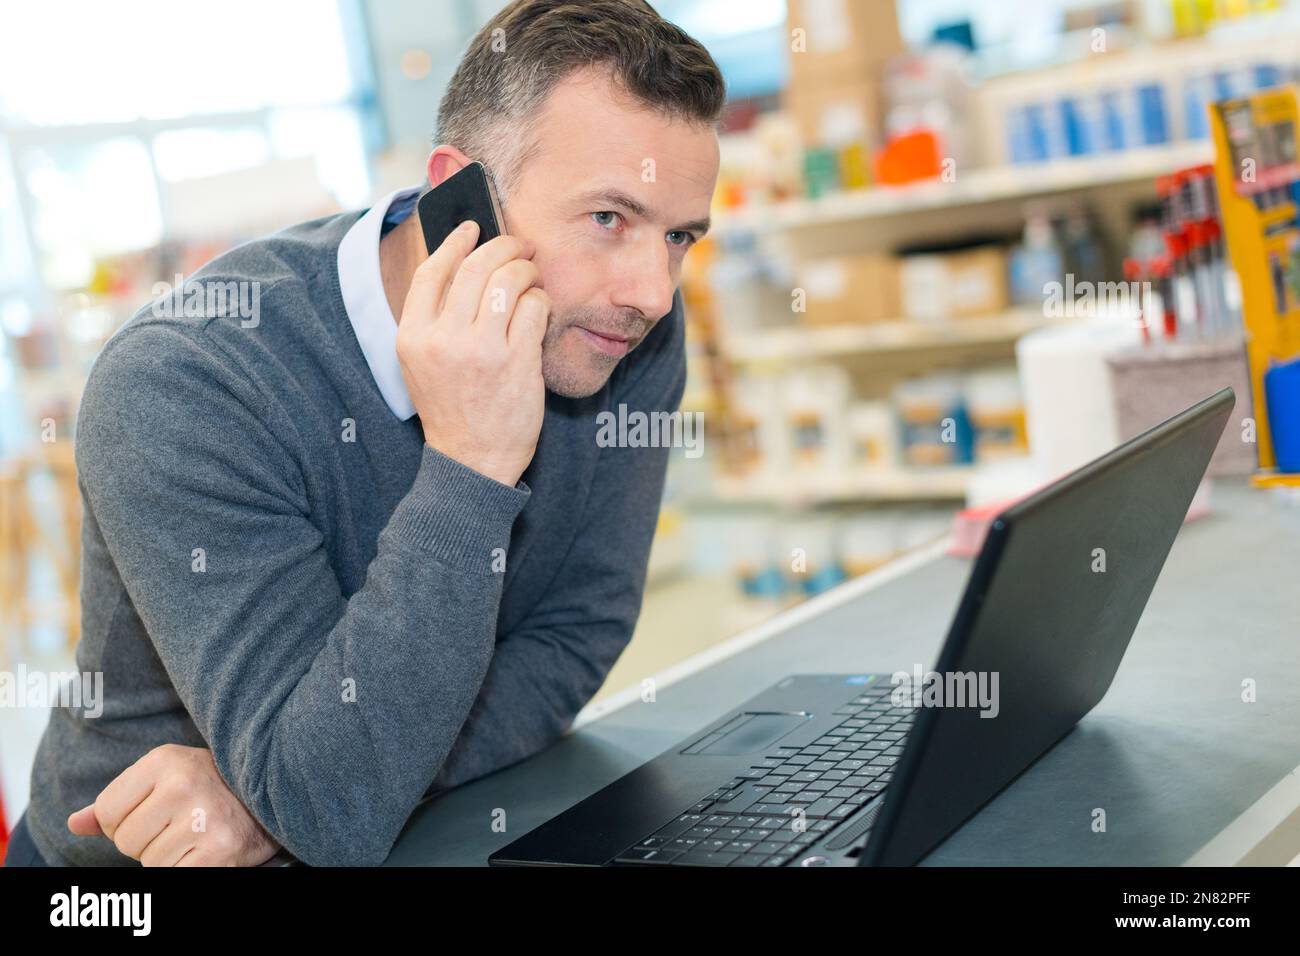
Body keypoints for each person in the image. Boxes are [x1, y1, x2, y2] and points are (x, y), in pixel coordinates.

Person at [13, 0, 723, 866]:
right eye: (609, 218)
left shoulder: (613, 332)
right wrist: (472, 462)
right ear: (458, 197)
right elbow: (331, 805)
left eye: (679, 234)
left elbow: (576, 636)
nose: (653, 290)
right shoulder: (186, 384)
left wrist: (272, 795)